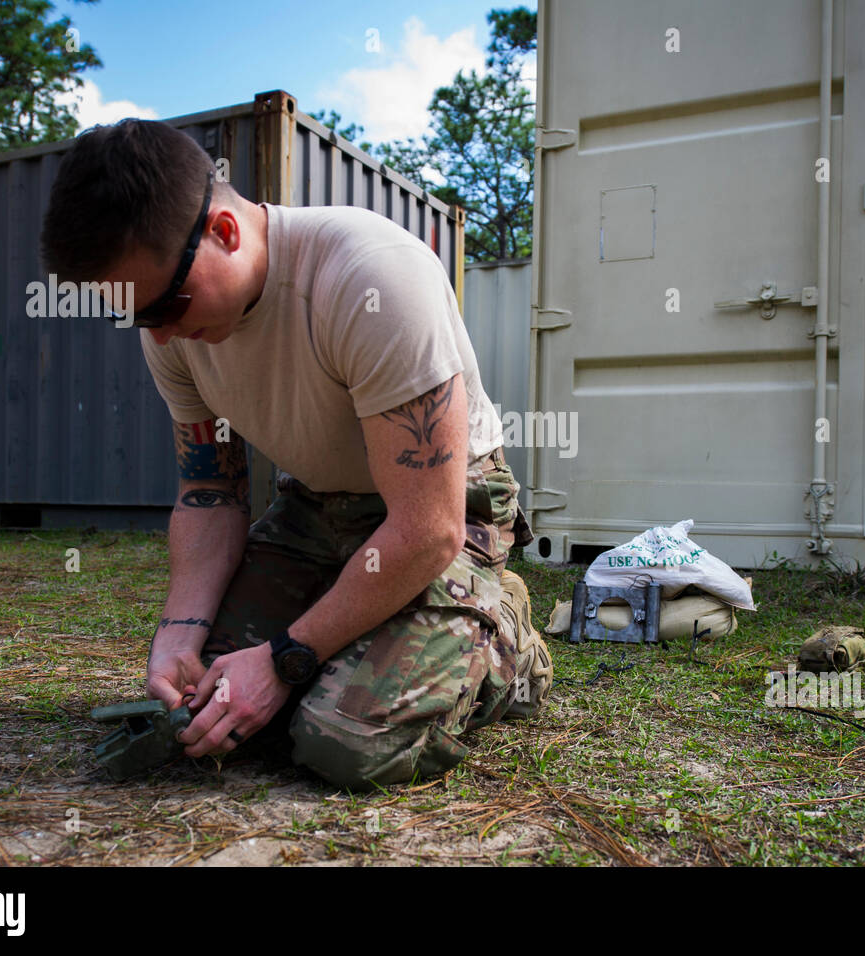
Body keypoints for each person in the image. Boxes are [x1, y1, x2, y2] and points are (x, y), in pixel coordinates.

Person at [39, 119, 552, 790]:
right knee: (208, 710)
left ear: (224, 230)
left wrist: (285, 660)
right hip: (314, 512)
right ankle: (372, 633)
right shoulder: (170, 329)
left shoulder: (371, 278)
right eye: (137, 317)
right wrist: (178, 637)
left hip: (443, 515)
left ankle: (502, 631)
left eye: (166, 303)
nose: (160, 335)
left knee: (345, 740)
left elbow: (428, 528)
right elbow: (211, 494)